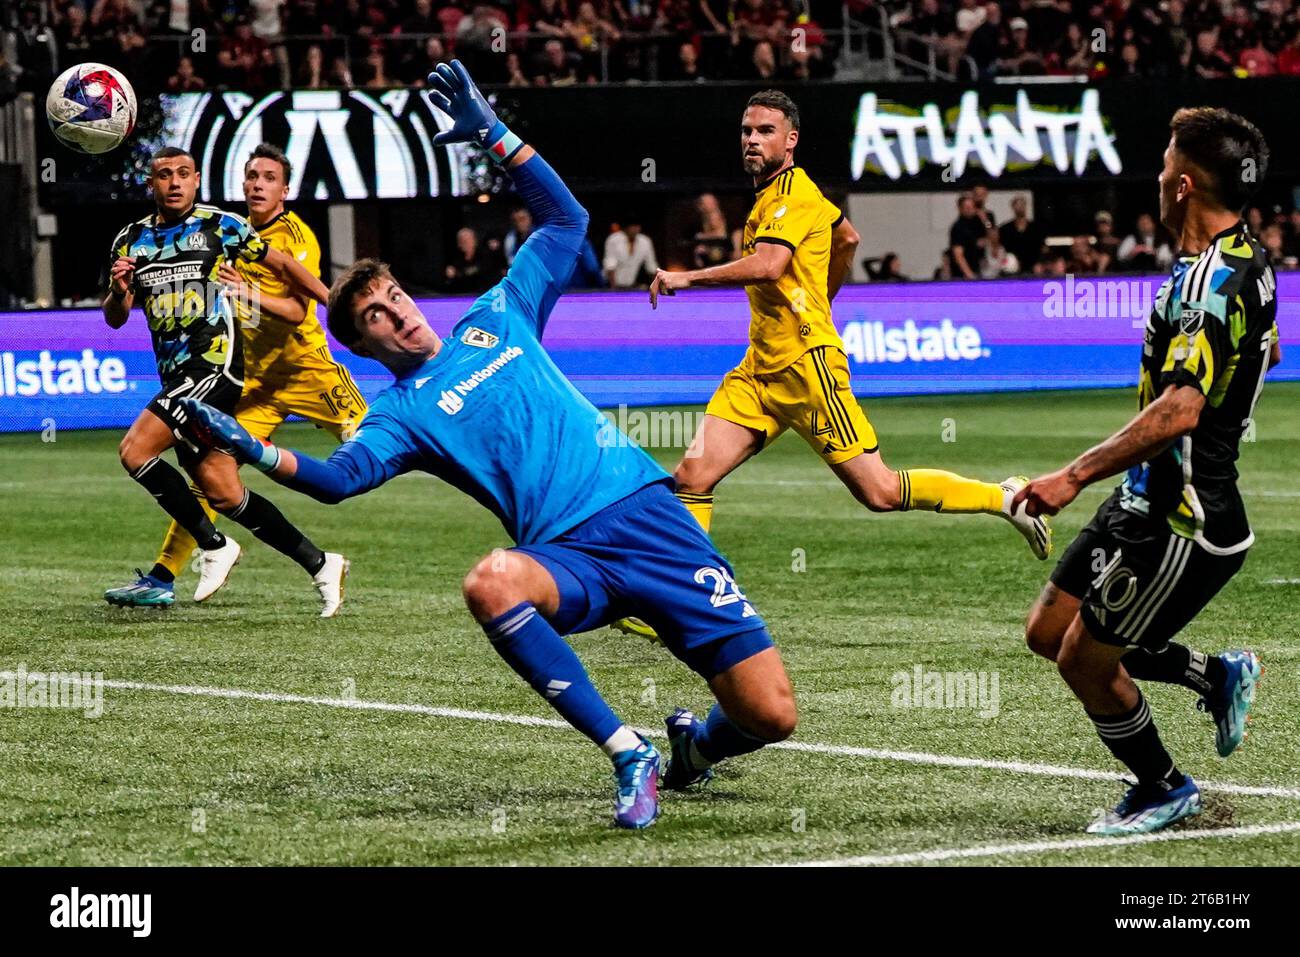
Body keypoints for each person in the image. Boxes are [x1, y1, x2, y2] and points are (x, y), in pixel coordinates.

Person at [181, 61, 798, 830]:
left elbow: (567, 223)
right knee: (490, 583)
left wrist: (496, 137)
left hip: (648, 515)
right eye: (373, 315)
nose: (394, 313)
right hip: (568, 557)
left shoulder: (499, 312)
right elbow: (338, 480)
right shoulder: (399, 414)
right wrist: (249, 446)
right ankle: (625, 749)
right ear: (361, 342)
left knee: (771, 714)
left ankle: (693, 750)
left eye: (393, 296)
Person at [648, 90, 1050, 575]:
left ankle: (1004, 498)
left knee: (879, 492)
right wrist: (821, 295)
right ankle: (682, 594)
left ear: (791, 140)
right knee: (693, 474)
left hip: (806, 368)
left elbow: (771, 265)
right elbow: (847, 237)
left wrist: (687, 277)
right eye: (746, 131)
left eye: (765, 131)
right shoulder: (779, 197)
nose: (752, 140)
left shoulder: (793, 195)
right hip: (759, 370)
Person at [1016, 107, 1280, 836]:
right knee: (1048, 629)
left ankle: (1163, 787)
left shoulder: (1208, 282)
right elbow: (1268, 352)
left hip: (1181, 517)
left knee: (1083, 660)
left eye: (1165, 165)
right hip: (1144, 498)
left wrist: (1071, 475)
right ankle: (1214, 674)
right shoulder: (1240, 260)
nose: (1157, 178)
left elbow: (1180, 410)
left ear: (1186, 184)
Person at [106, 143, 369, 608]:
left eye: (183, 173)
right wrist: (118, 289)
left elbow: (286, 270)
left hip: (216, 368)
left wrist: (338, 304)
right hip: (186, 376)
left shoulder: (222, 227)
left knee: (135, 449)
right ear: (151, 184)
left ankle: (213, 546)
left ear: (196, 181)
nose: (173, 182)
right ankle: (320, 562)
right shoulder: (130, 241)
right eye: (164, 175)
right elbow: (116, 317)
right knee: (223, 491)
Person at [603, 221, 659, 288]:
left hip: (629, 286)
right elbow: (610, 266)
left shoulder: (645, 241)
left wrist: (658, 287)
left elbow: (651, 266)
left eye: (637, 226)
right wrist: (614, 289)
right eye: (633, 226)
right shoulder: (613, 239)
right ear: (626, 228)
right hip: (608, 284)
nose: (636, 229)